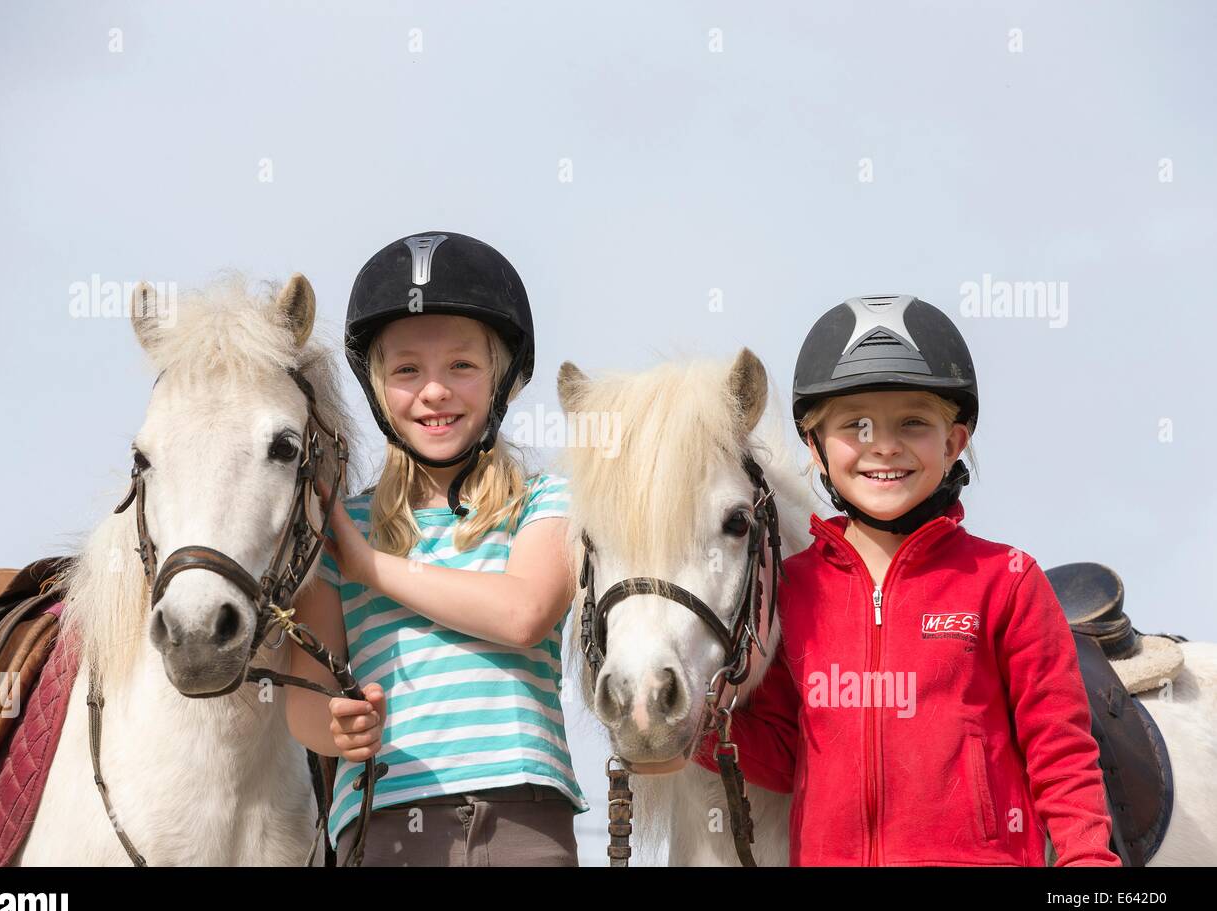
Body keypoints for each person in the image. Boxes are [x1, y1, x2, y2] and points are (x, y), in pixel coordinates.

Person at [688, 294, 1120, 866]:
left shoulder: (1007, 580)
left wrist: (1088, 862)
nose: (884, 445)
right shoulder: (788, 589)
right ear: (815, 449)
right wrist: (690, 726)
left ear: (954, 442)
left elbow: (1059, 750)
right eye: (855, 425)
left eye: (913, 422)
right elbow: (785, 750)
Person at [284, 231, 587, 867]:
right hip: (386, 823)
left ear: (504, 381)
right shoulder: (341, 524)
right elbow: (304, 695)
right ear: (376, 388)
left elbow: (522, 613)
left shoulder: (549, 501)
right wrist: (333, 724)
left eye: (462, 366)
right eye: (406, 370)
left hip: (522, 819)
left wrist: (370, 567)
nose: (435, 390)